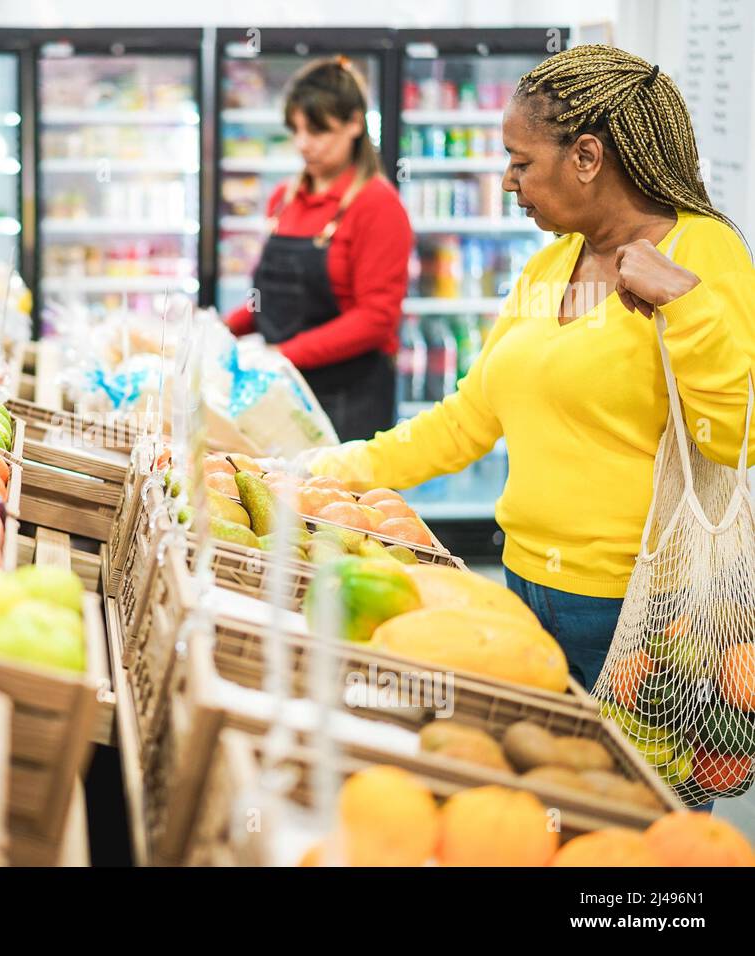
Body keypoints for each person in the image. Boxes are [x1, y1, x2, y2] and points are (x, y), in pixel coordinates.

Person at [308, 45, 755, 690]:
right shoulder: (552, 265)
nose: (508, 182)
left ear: (586, 157)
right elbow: (470, 417)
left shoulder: (703, 252)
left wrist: (683, 305)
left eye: (522, 163)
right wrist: (337, 469)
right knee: (541, 782)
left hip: (649, 612)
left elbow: (734, 437)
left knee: (641, 793)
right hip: (525, 589)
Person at [225, 57, 413, 442]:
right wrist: (221, 330)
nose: (302, 143)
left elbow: (376, 319)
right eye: (295, 129)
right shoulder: (284, 199)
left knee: (336, 501)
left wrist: (282, 357)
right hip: (282, 395)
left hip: (348, 397)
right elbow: (272, 299)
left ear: (355, 123)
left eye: (318, 130)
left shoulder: (377, 205)